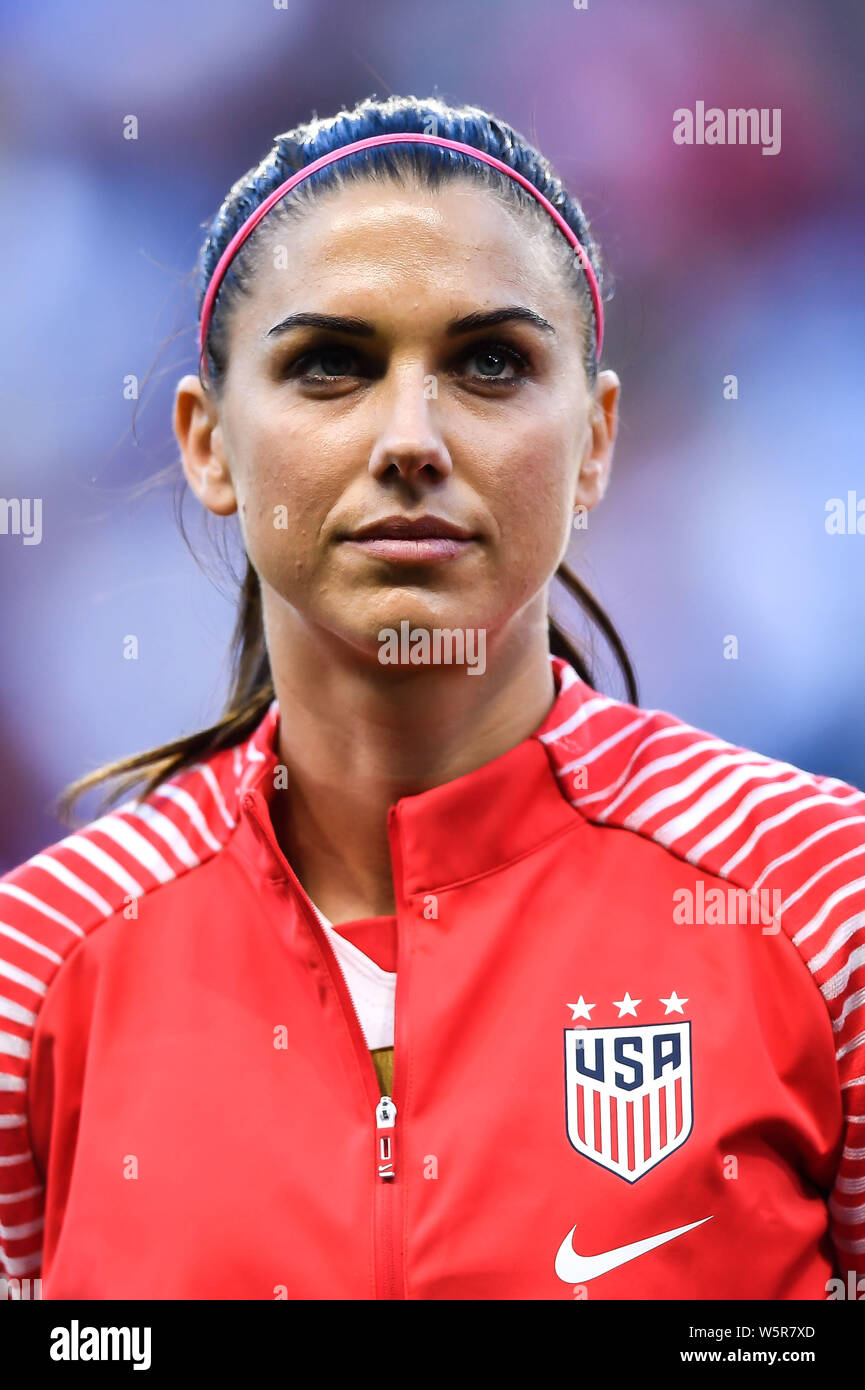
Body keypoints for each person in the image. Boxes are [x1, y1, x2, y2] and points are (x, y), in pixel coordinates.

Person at [1, 94, 863, 1302]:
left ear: (597, 443)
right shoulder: (37, 963)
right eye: (330, 366)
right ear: (207, 445)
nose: (412, 437)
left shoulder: (822, 900)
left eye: (490, 362)